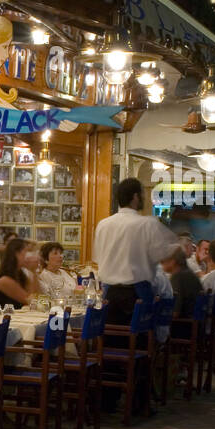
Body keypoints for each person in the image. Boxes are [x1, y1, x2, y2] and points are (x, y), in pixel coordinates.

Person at [93, 177, 178, 412]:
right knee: (141, 347)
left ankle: (107, 401)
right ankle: (138, 402)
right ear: (134, 197)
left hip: (109, 293)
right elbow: (165, 252)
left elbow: (98, 259)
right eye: (142, 194)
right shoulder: (146, 224)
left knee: (109, 345)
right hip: (137, 293)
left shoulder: (103, 224)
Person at [0, 237, 34, 308]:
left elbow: (35, 294)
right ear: (16, 254)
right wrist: (34, 271)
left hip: (14, 316)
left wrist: (34, 272)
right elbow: (29, 300)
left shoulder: (20, 274)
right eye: (26, 252)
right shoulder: (4, 279)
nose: (29, 256)